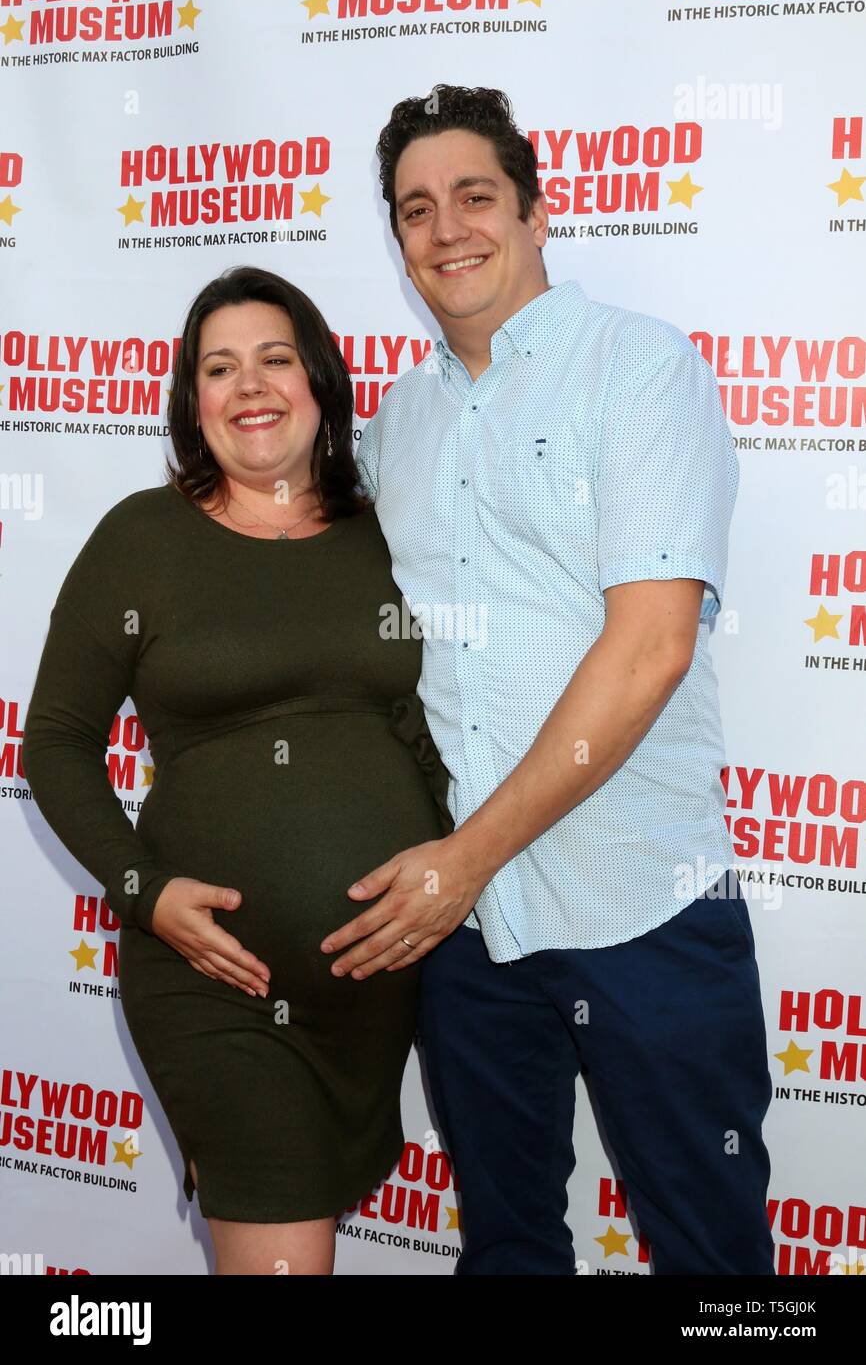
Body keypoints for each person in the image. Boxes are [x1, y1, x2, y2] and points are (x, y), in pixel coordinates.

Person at [320, 85, 776, 1274]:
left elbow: (649, 646)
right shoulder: (395, 424)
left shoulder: (636, 367)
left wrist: (463, 856)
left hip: (639, 899)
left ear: (534, 211)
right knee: (507, 1248)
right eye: (414, 210)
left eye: (474, 196)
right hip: (469, 932)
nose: (446, 229)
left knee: (711, 1260)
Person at [21, 264, 453, 1276]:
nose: (249, 385)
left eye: (273, 359)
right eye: (219, 367)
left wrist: (444, 856)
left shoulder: (387, 531)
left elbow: (430, 720)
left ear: (318, 383)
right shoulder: (144, 537)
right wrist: (145, 891)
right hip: (213, 981)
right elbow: (54, 738)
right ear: (191, 400)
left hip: (380, 980)